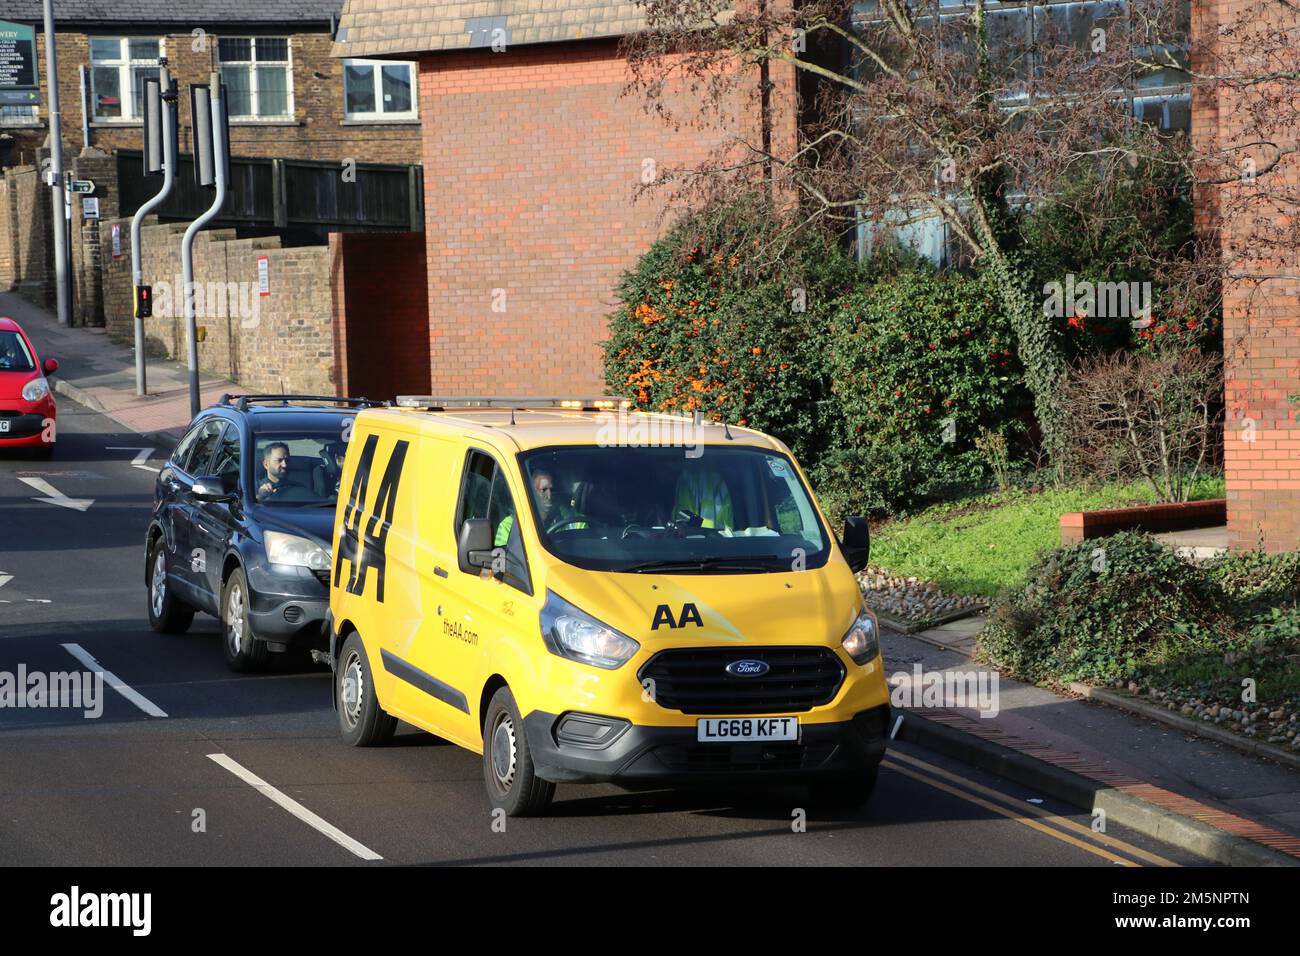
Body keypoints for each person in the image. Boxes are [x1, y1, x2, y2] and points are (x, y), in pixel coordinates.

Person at [494, 468, 583, 546]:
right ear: (532, 494)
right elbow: (502, 560)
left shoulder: (574, 520)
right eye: (543, 490)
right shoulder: (509, 526)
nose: (549, 496)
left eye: (552, 490)